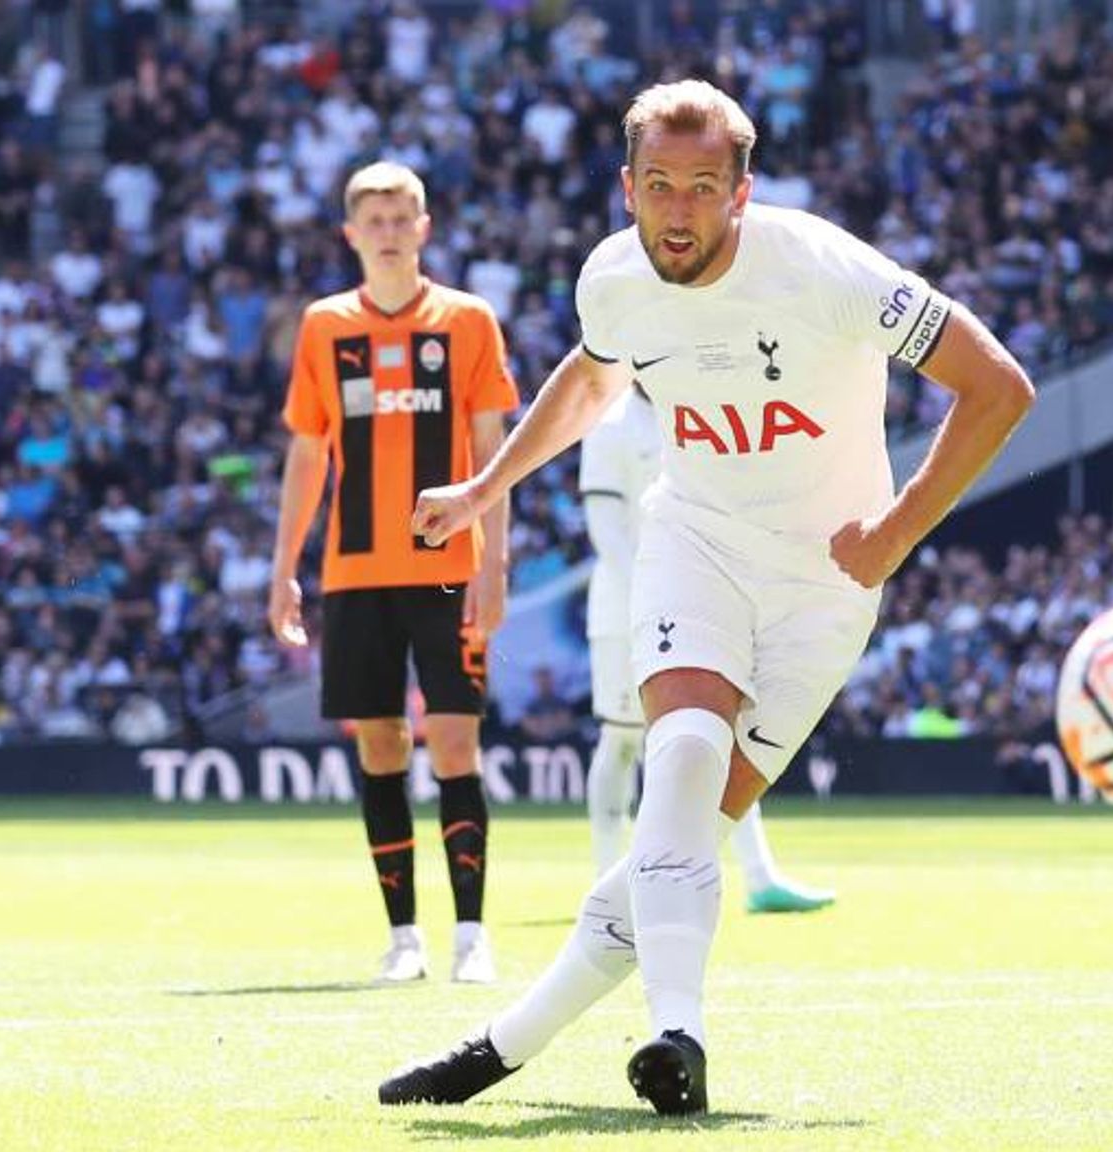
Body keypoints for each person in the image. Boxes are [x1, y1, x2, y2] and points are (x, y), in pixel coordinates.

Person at [380, 79, 1033, 1114]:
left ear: (741, 189)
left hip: (827, 584)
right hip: (697, 541)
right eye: (656, 186)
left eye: (699, 188)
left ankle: (500, 1048)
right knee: (680, 754)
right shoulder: (613, 279)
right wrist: (481, 488)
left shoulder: (822, 267)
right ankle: (676, 1036)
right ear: (626, 187)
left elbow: (998, 385)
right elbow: (593, 382)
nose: (676, 210)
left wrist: (896, 534)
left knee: (677, 837)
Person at [268, 161, 519, 985]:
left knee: (454, 741)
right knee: (380, 743)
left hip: (449, 565)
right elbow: (308, 454)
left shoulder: (469, 320)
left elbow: (494, 454)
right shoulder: (323, 326)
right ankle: (404, 936)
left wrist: (495, 563)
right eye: (371, 219)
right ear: (350, 233)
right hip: (354, 571)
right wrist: (285, 570)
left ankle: (471, 935)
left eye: (400, 216)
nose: (386, 230)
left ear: (424, 227)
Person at [580, 386, 838, 911]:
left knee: (721, 734)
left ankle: (760, 877)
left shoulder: (697, 406)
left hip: (701, 605)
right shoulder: (610, 428)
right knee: (623, 739)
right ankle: (607, 879)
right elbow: (606, 532)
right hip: (625, 611)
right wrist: (651, 596)